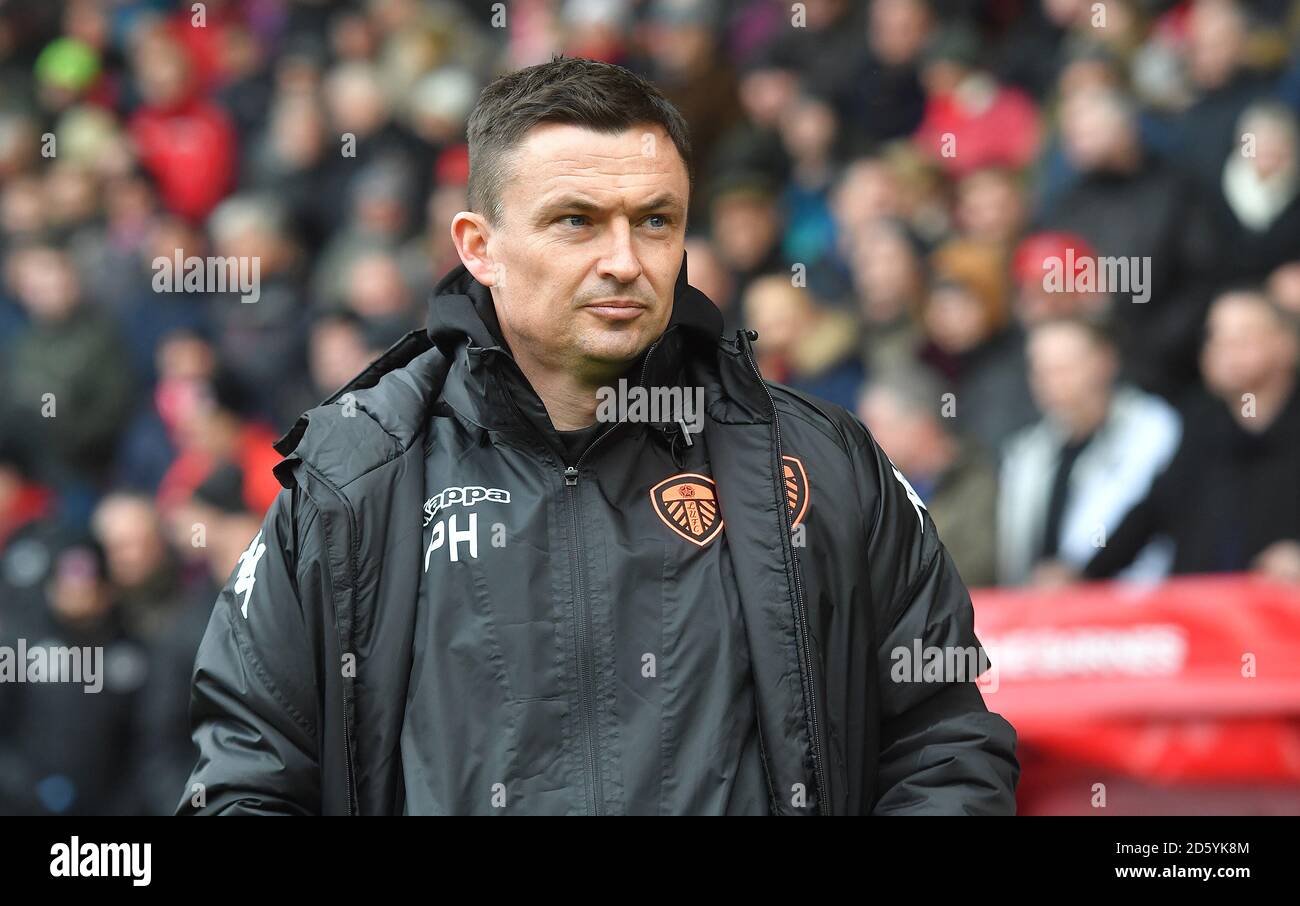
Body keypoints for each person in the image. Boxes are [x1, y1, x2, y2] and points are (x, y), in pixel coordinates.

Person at [179, 57, 1017, 816]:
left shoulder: (823, 465)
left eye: (655, 221)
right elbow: (247, 783)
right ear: (480, 248)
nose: (625, 259)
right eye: (576, 221)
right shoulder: (351, 484)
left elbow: (943, 745)